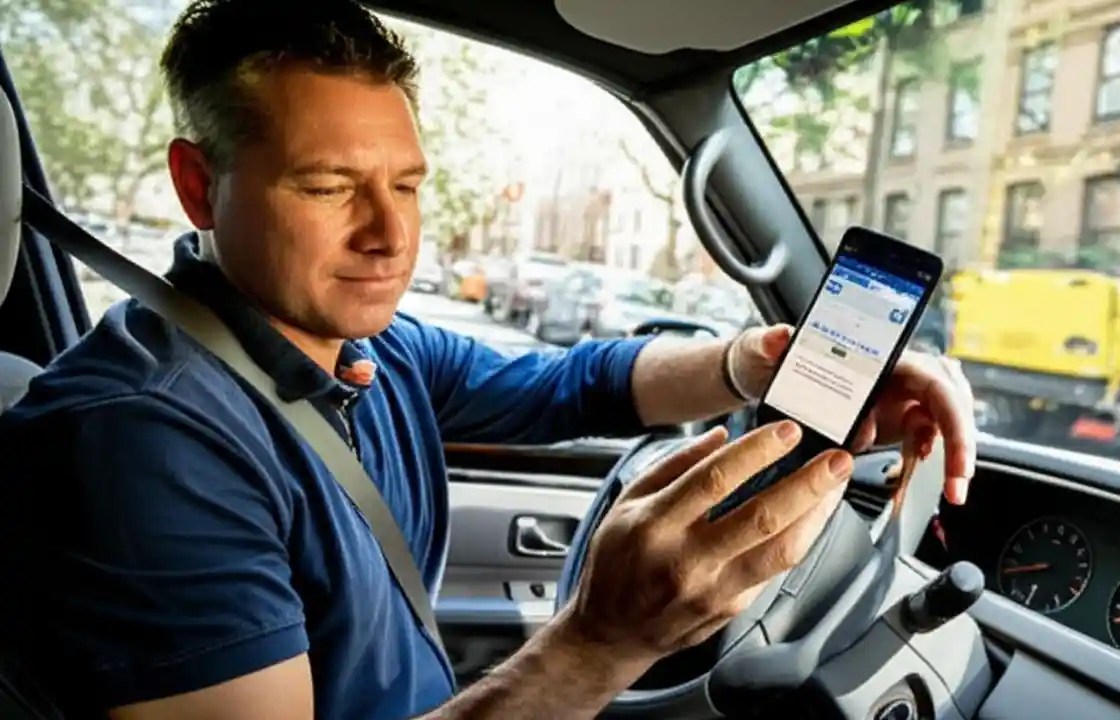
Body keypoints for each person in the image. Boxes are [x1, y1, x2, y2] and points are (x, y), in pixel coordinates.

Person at [0, 1, 977, 718]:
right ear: (197, 185)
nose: (390, 235)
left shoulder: (365, 346)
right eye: (330, 186)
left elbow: (571, 383)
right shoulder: (137, 444)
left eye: (407, 186)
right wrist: (598, 643)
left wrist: (755, 364)